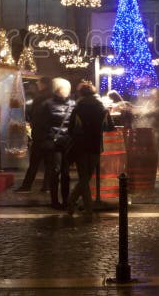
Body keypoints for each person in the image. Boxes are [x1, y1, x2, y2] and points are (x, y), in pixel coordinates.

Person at [65, 81, 107, 218]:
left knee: (83, 177)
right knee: (87, 177)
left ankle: (76, 205)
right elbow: (108, 127)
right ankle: (81, 206)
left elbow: (70, 129)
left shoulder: (78, 108)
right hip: (95, 146)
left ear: (80, 93)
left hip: (80, 146)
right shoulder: (101, 107)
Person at [42, 78, 75, 209]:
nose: (66, 91)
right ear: (57, 90)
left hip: (67, 142)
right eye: (63, 88)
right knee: (55, 171)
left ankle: (66, 200)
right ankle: (55, 201)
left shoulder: (73, 104)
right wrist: (47, 137)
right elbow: (41, 124)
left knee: (66, 173)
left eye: (68, 88)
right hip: (54, 142)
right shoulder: (47, 104)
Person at [17, 77, 52, 192]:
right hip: (51, 135)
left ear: (43, 84)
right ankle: (46, 186)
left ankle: (27, 185)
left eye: (39, 83)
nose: (37, 85)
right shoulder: (53, 97)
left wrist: (33, 126)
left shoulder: (39, 98)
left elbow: (34, 115)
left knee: (34, 162)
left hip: (40, 134)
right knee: (49, 163)